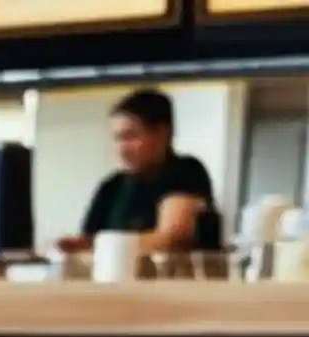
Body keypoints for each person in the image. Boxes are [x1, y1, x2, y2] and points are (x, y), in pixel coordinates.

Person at [59, 89, 216, 254]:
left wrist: (102, 247)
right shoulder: (111, 186)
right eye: (117, 138)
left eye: (130, 137)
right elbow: (86, 243)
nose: (122, 149)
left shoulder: (186, 171)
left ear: (162, 134)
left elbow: (171, 239)